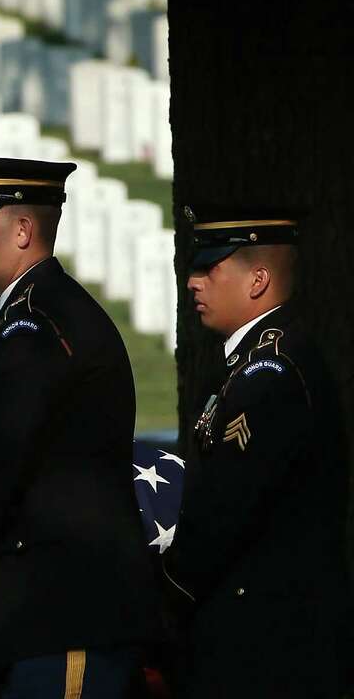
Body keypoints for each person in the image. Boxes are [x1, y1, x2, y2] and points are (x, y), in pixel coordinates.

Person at [0, 153, 161, 696]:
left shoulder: (34, 327)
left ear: (22, 230)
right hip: (48, 610)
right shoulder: (41, 313)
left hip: (63, 610)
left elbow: (3, 462)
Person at [162, 206, 350, 698]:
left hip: (266, 645)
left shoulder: (270, 375)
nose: (193, 282)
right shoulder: (251, 365)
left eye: (210, 268)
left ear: (258, 279)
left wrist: (166, 593)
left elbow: (226, 508)